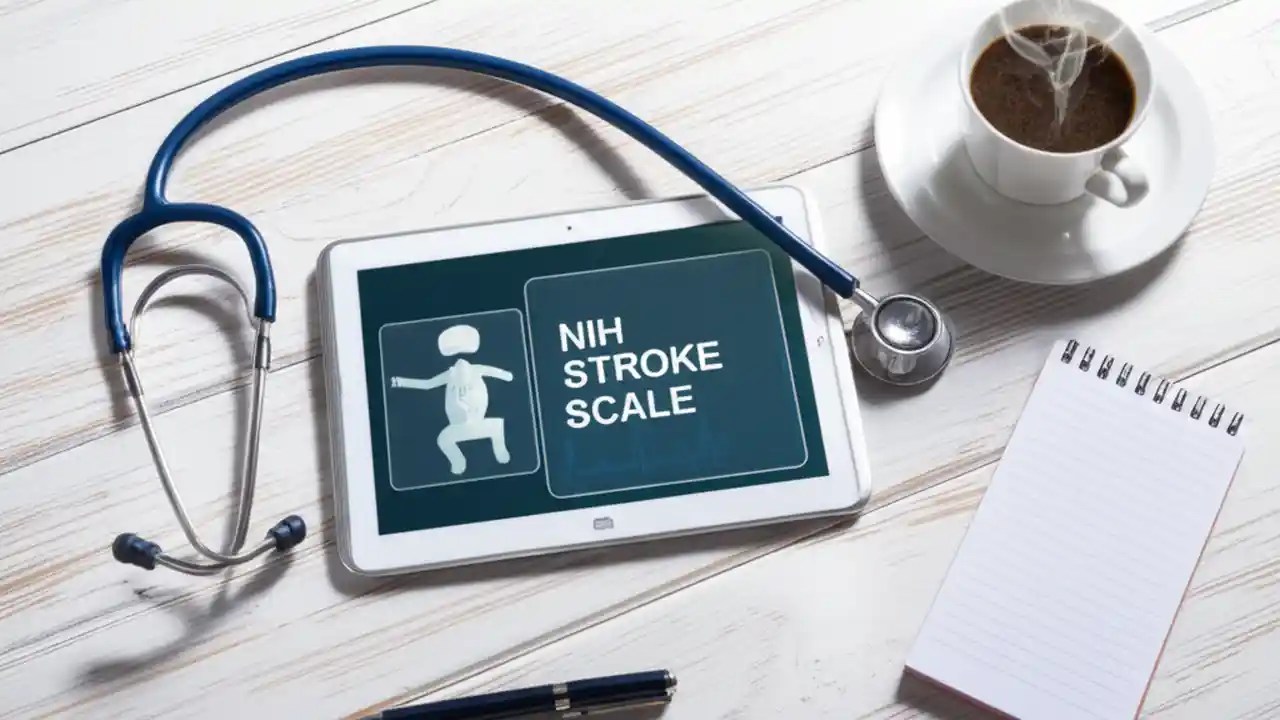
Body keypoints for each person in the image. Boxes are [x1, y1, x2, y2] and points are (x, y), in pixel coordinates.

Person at [390, 324, 513, 475]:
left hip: (478, 419)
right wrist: (401, 382)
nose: (461, 361)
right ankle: (458, 460)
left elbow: (494, 371)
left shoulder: (477, 369)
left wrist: (506, 375)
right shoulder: (450, 375)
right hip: (458, 424)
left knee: (494, 429)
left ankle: (498, 448)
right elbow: (427, 384)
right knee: (443, 439)